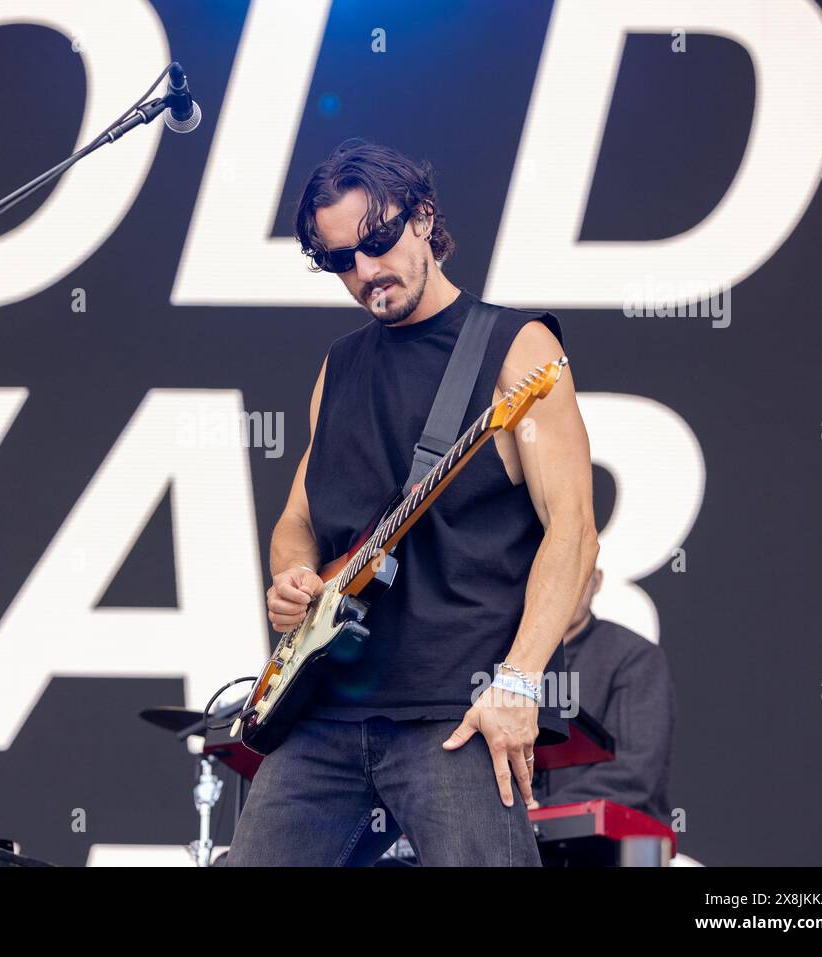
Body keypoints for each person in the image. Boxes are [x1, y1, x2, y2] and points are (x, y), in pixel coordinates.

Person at [225, 140, 599, 866]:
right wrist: (295, 579)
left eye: (378, 241)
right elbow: (297, 522)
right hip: (326, 712)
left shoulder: (518, 349)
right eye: (340, 260)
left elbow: (575, 533)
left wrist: (518, 680)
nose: (365, 272)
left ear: (424, 217)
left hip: (453, 712)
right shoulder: (339, 366)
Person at [530, 569, 676, 826]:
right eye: (555, 573)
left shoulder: (635, 657)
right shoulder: (512, 662)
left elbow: (635, 770)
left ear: (597, 580)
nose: (566, 588)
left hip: (611, 846)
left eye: (578, 574)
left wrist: (543, 810)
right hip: (523, 841)